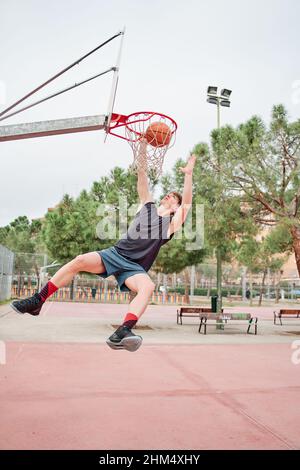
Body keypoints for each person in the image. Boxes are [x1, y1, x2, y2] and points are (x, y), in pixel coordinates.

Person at [10, 144, 197, 352]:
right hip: (116, 254)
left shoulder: (170, 225)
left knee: (148, 287)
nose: (169, 196)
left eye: (174, 196)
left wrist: (188, 175)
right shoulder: (147, 206)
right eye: (169, 194)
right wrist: (143, 145)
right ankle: (37, 300)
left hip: (133, 268)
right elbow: (142, 173)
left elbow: (187, 204)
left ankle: (123, 331)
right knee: (79, 260)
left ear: (176, 207)